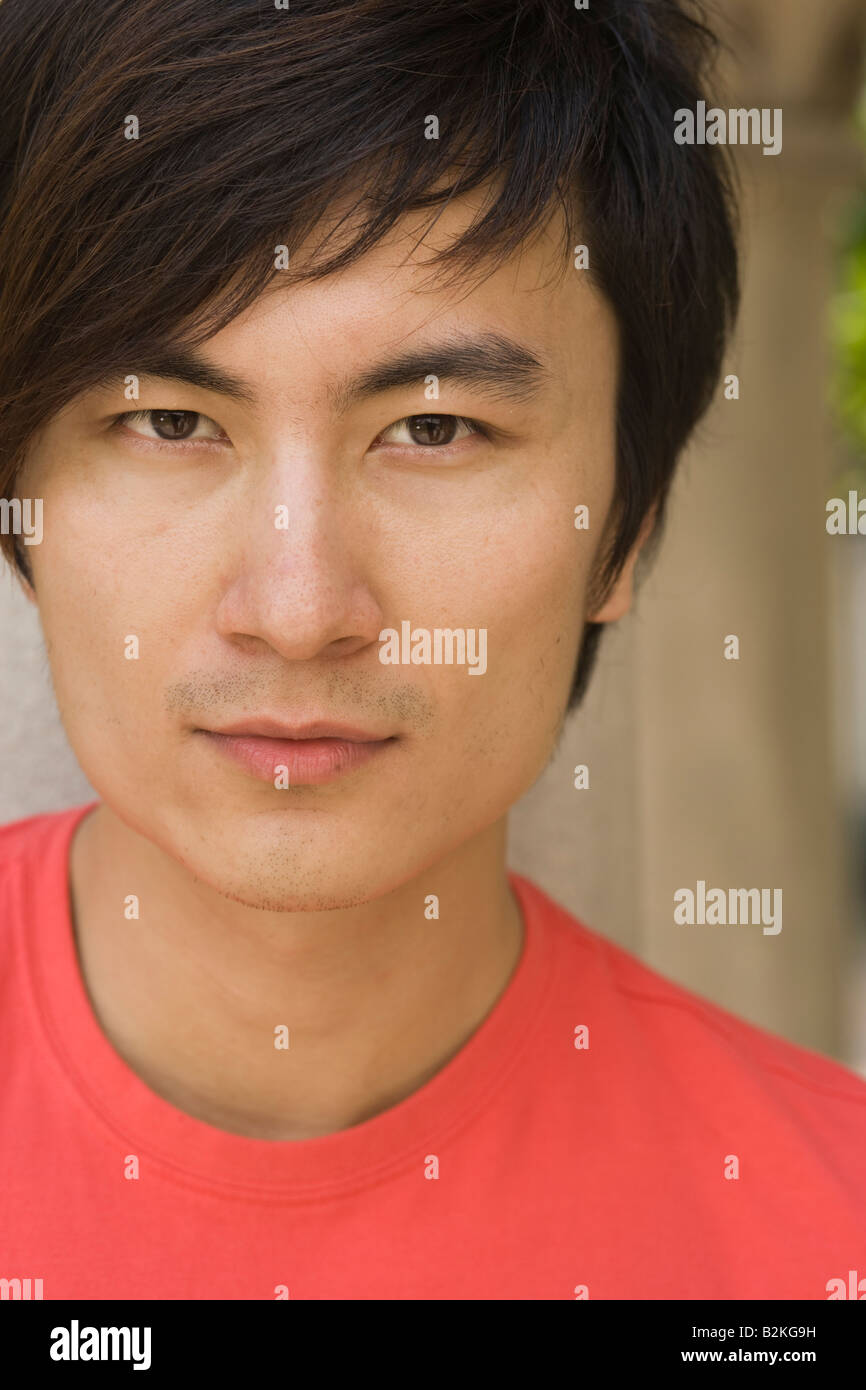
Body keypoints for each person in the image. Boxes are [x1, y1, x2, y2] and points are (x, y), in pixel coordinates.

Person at [0, 0, 862, 1301]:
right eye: (171, 419)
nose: (296, 609)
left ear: (620, 528)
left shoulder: (819, 1237)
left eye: (435, 429)